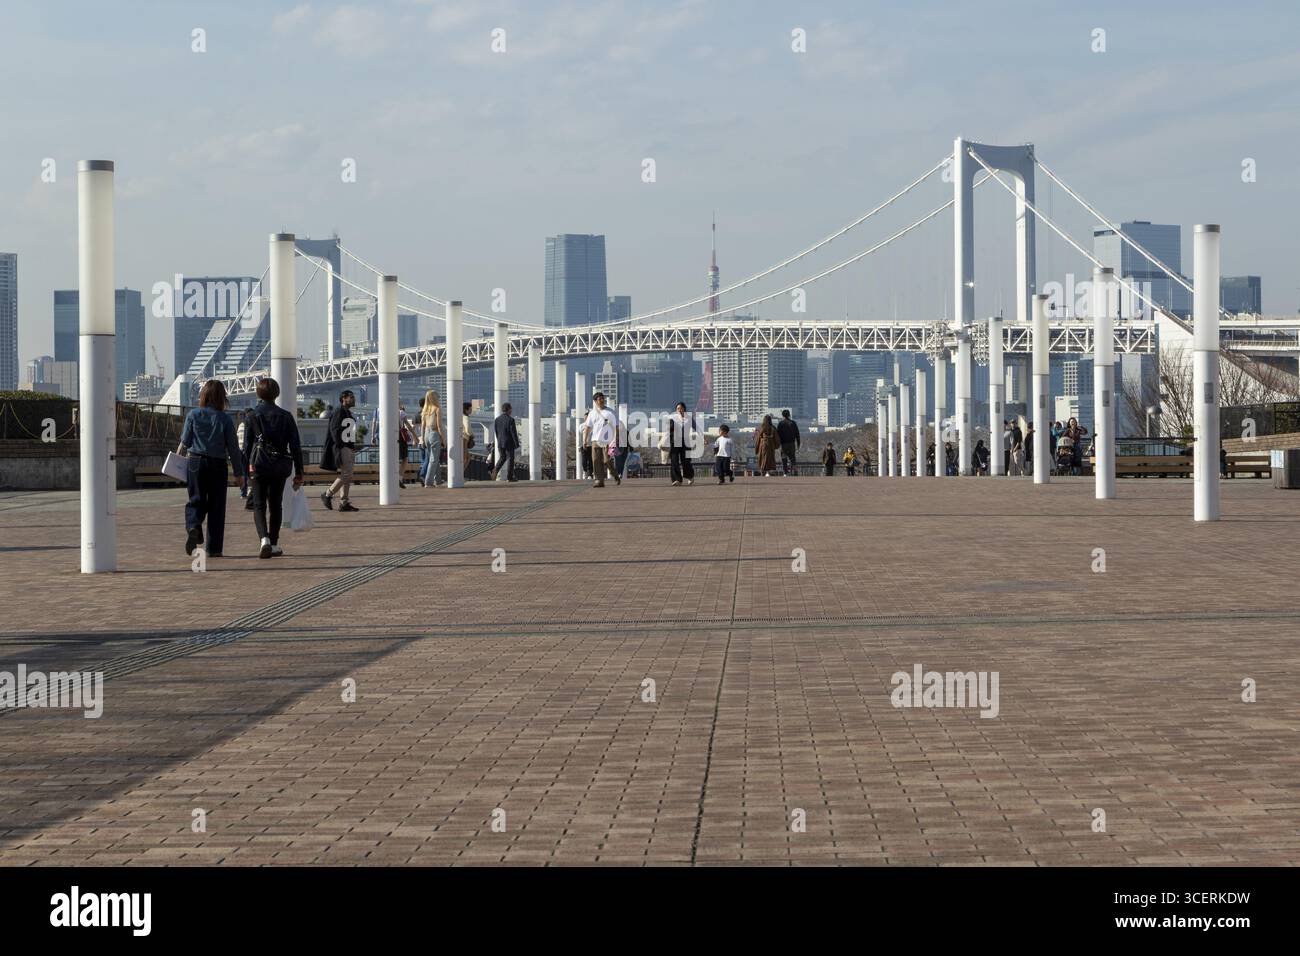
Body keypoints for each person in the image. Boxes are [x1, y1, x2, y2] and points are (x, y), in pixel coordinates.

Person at [178, 378, 244, 558]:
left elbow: (184, 442)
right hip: (217, 464)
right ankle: (214, 548)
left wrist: (176, 463)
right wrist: (239, 474)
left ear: (203, 396)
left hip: (195, 462)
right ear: (222, 397)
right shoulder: (225, 419)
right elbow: (233, 449)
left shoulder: (193, 415)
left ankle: (193, 526)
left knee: (196, 499)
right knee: (217, 506)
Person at [241, 377, 304, 558]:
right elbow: (295, 446)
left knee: (259, 504)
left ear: (258, 393)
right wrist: (299, 471)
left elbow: (246, 447)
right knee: (276, 504)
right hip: (279, 466)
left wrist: (245, 471)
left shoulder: (252, 416)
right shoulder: (286, 416)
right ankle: (274, 543)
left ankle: (264, 540)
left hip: (258, 466)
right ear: (277, 393)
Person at [321, 389, 359, 512]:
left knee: (348, 475)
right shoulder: (339, 411)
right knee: (346, 474)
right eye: (351, 397)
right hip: (343, 447)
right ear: (344, 398)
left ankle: (344, 502)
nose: (354, 399)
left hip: (348, 447)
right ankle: (328, 494)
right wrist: (341, 445)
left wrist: (352, 446)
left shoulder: (347, 412)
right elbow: (335, 430)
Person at [580, 391, 619, 488]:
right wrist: (585, 440)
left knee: (607, 460)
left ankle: (615, 474)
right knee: (596, 460)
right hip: (595, 440)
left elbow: (616, 426)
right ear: (595, 401)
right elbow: (588, 428)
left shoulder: (610, 412)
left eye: (602, 399)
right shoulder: (592, 414)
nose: (601, 401)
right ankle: (599, 480)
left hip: (607, 440)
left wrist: (615, 438)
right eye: (599, 399)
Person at [420, 391, 445, 488]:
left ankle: (438, 480)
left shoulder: (425, 410)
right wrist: (444, 439)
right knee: (434, 459)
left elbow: (423, 426)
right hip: (434, 433)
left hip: (426, 434)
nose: (438, 399)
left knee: (433, 458)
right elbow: (439, 426)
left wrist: (422, 439)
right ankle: (428, 482)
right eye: (437, 397)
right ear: (434, 398)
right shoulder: (437, 409)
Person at [668, 401, 696, 486]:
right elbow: (667, 431)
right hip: (675, 442)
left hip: (685, 442)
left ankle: (690, 476)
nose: (679, 410)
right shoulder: (672, 418)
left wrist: (703, 438)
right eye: (678, 408)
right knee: (674, 461)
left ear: (684, 409)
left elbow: (697, 428)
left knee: (686, 461)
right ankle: (677, 480)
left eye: (681, 408)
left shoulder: (689, 418)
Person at [492, 402, 521, 481]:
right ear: (509, 410)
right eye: (511, 409)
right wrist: (516, 444)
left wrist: (499, 441)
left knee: (502, 457)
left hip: (500, 442)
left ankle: (495, 470)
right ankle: (510, 477)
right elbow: (513, 433)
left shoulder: (497, 420)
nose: (511, 410)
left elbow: (496, 432)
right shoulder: (510, 420)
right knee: (510, 459)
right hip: (509, 443)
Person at [776, 409, 801, 476]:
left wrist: (778, 444)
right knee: (793, 458)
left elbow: (777, 435)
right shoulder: (793, 423)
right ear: (789, 415)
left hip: (784, 444)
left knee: (784, 458)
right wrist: (798, 444)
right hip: (792, 444)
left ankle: (785, 473)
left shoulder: (781, 423)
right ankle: (795, 471)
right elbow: (797, 434)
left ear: (782, 415)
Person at [462, 402, 474, 476]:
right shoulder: (466, 418)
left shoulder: (459, 416)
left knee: (464, 457)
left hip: (460, 439)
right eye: (470, 409)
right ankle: (460, 474)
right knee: (466, 458)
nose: (471, 410)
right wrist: (472, 435)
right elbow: (468, 430)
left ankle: (460, 473)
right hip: (464, 439)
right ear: (466, 410)